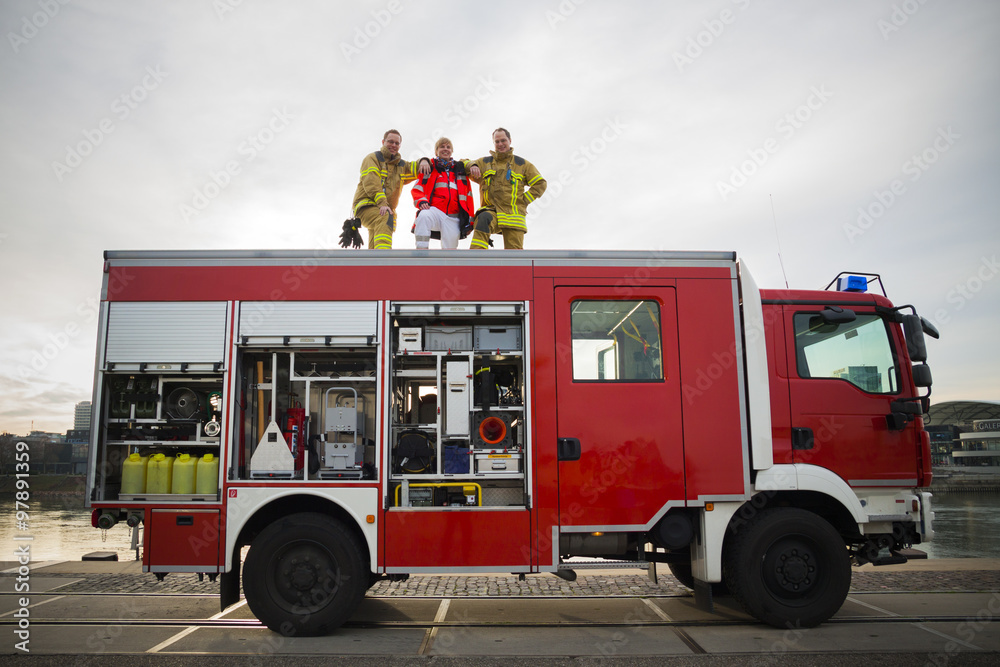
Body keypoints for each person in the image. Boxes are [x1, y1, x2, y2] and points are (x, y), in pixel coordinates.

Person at [467, 128, 546, 250]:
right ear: (493, 143)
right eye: (497, 141)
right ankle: (476, 262)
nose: (500, 144)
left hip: (514, 216)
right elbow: (462, 163)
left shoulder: (522, 164)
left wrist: (523, 200)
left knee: (514, 258)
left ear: (510, 140)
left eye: (503, 140)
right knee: (483, 218)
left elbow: (540, 183)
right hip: (492, 211)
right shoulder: (485, 162)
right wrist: (472, 165)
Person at [351, 129, 430, 249]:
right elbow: (372, 183)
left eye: (397, 143)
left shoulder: (401, 166)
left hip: (382, 209)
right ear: (383, 142)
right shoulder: (372, 158)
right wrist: (382, 204)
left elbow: (416, 167)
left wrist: (424, 160)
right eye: (390, 142)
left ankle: (374, 263)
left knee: (376, 238)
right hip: (366, 206)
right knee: (384, 216)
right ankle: (384, 260)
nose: (393, 145)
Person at [411, 137, 475, 249]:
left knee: (450, 254)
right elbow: (417, 188)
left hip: (453, 217)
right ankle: (421, 253)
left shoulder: (460, 170)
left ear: (452, 151)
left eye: (448, 147)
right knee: (424, 215)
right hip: (435, 212)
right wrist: (421, 201)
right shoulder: (429, 168)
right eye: (442, 147)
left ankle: (447, 266)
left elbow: (468, 197)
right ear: (436, 151)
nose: (445, 149)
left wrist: (470, 221)